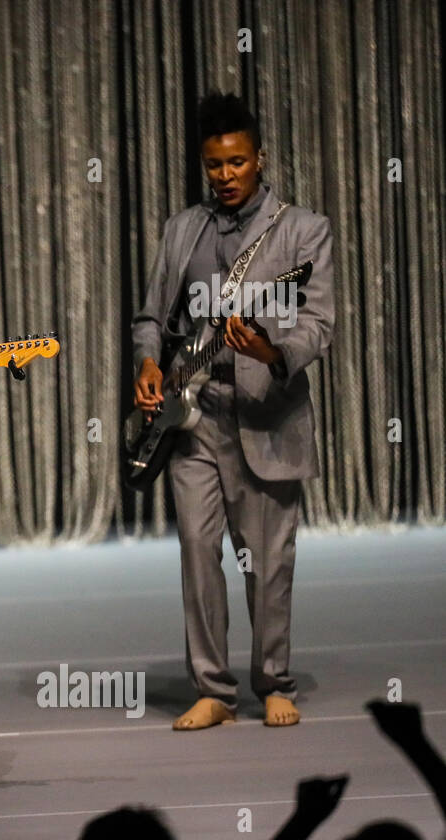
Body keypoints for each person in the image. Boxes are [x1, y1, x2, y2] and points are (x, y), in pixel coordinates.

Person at [131, 93, 334, 731]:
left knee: (268, 560)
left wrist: (273, 351)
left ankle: (274, 681)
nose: (225, 176)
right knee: (197, 549)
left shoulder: (302, 231)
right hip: (193, 416)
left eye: (237, 163)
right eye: (214, 165)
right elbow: (151, 319)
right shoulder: (181, 229)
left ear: (260, 159)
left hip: (266, 412)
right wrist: (148, 364)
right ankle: (212, 688)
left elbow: (320, 323)